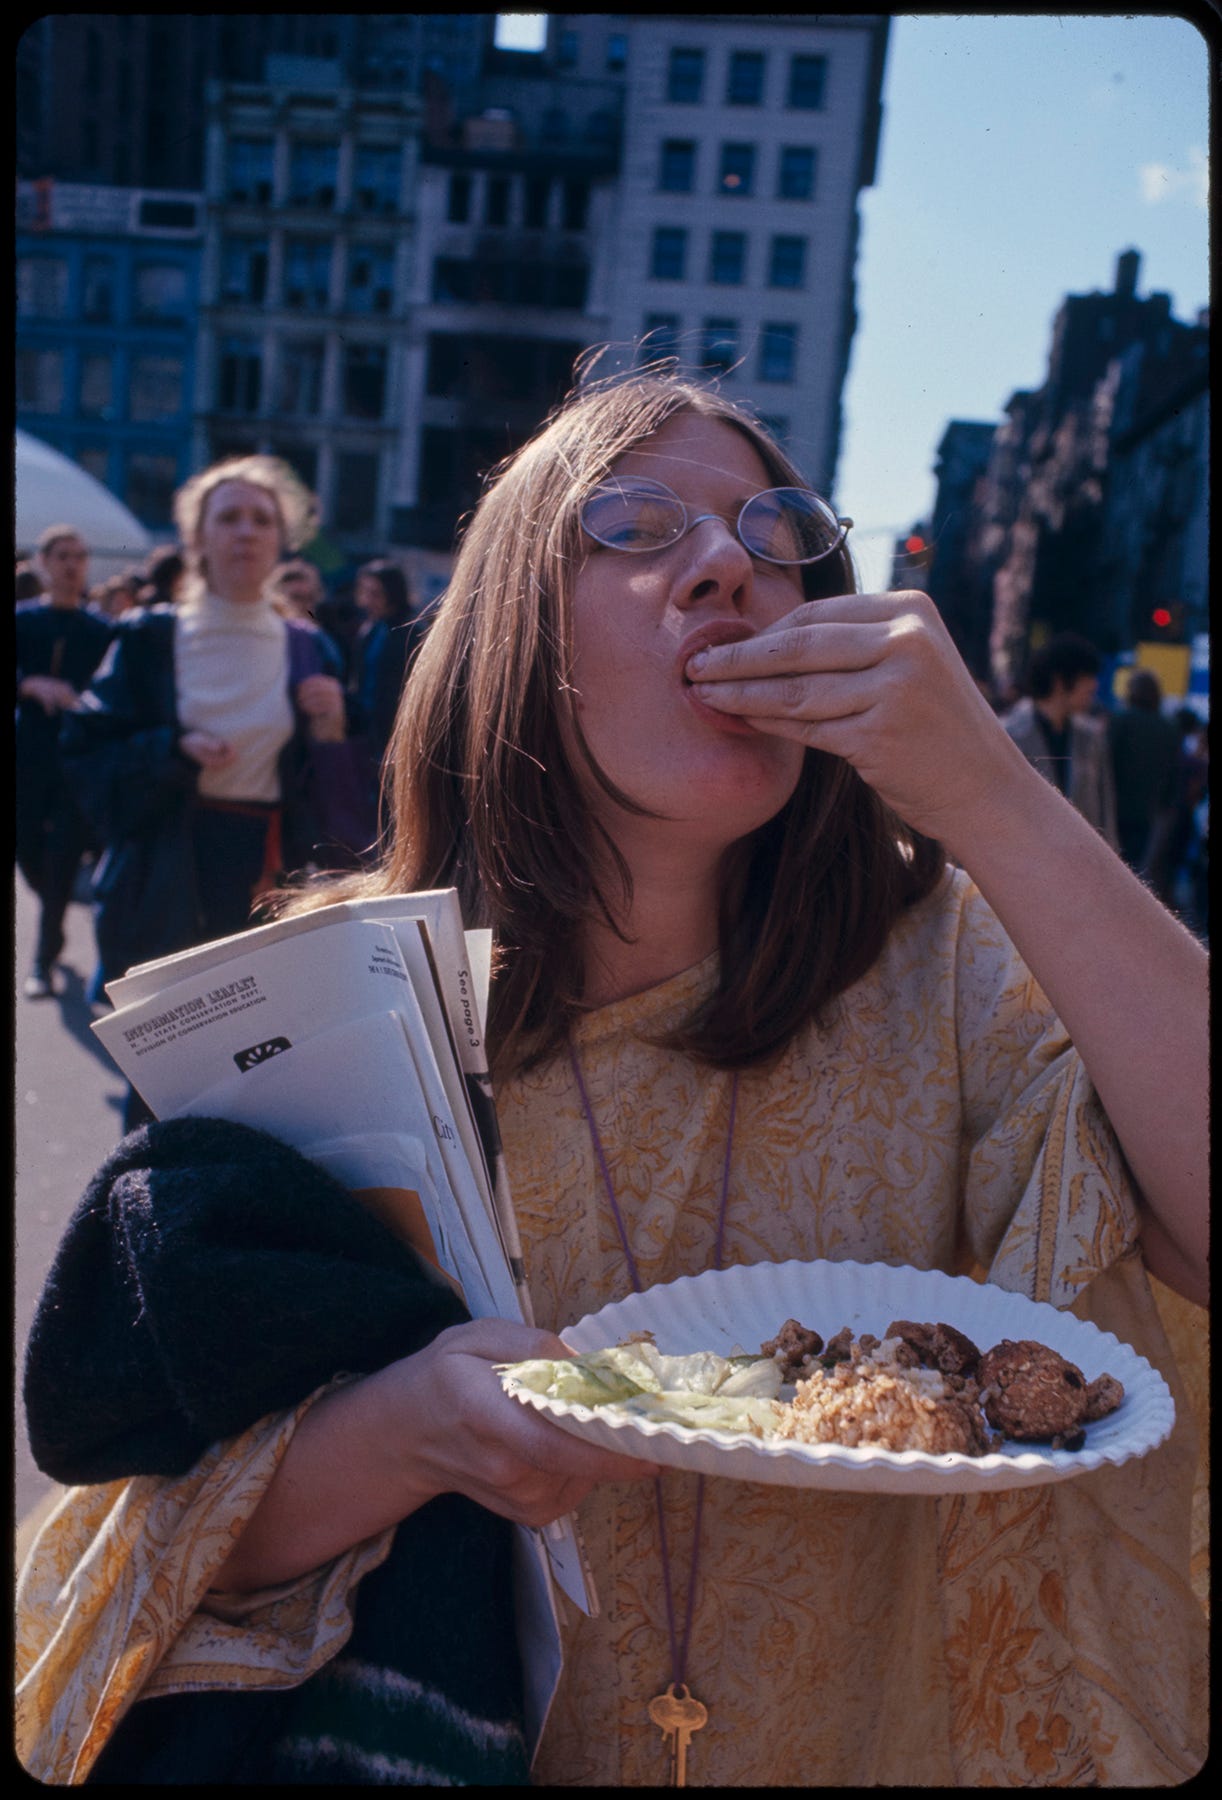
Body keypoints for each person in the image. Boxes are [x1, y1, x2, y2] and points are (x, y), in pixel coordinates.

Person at [18, 372, 1208, 1785]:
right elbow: (160, 1533)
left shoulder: (955, 968)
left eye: (779, 539)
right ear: (512, 628)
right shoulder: (316, 1010)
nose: (727, 565)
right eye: (634, 528)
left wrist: (994, 799)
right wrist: (402, 1435)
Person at [57, 455, 366, 1047]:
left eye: (261, 518)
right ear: (198, 536)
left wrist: (336, 723)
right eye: (229, 518)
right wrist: (173, 749)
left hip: (266, 871)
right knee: (168, 1063)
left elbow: (337, 784)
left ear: (283, 538)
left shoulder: (308, 646)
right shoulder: (151, 636)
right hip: (168, 860)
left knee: (260, 1054)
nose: (246, 531)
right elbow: (85, 749)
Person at [14, 524, 114, 998]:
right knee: (28, 851)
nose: (72, 565)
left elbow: (111, 691)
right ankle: (51, 919)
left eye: (79, 556)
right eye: (62, 556)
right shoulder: (23, 620)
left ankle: (43, 958)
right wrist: (29, 684)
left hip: (77, 763)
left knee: (62, 855)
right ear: (43, 563)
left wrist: (81, 700)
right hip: (27, 756)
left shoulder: (100, 629)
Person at [1002, 633, 1119, 847]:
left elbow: (1105, 813)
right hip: (1024, 861)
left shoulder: (1091, 738)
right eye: (1087, 677)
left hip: (1081, 862)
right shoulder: (1008, 734)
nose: (1093, 686)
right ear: (1059, 681)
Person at [1106, 668, 1183, 899]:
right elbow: (1173, 773)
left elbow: (1107, 764)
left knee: (1111, 864)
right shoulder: (1169, 728)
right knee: (1136, 869)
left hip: (1116, 807)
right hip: (1150, 810)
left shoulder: (1122, 721)